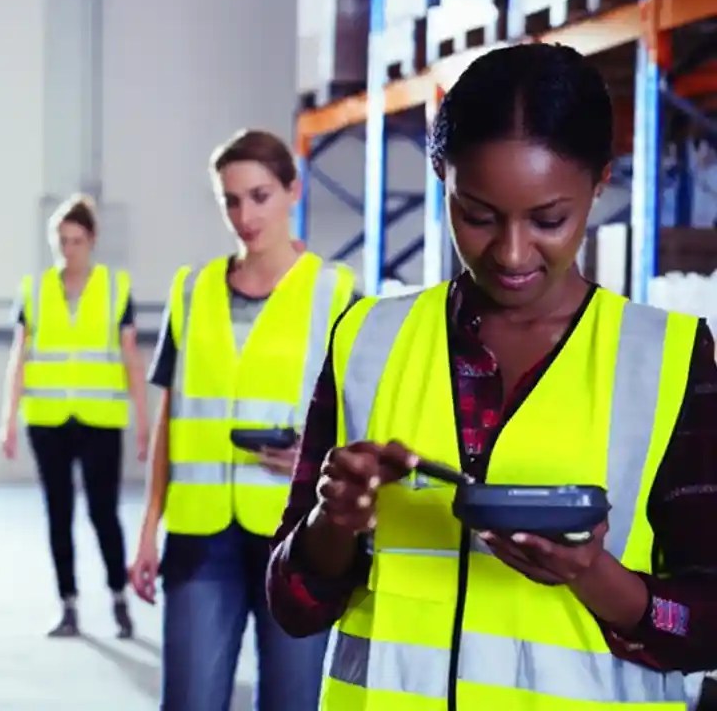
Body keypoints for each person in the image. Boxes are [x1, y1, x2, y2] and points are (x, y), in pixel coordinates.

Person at [266, 42, 717, 710]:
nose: (510, 252)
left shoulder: (669, 355)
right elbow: (294, 606)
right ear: (441, 174)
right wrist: (331, 523)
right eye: (476, 215)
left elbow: (706, 626)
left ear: (600, 184)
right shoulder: (368, 339)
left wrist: (594, 575)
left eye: (548, 220)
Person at [128, 129, 356, 710]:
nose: (244, 215)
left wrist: (315, 450)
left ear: (292, 191)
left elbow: (363, 421)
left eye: (259, 196)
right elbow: (170, 419)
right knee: (190, 702)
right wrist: (149, 526)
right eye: (230, 200)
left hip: (297, 532)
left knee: (292, 702)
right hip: (200, 539)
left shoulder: (337, 294)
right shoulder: (191, 290)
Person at [0, 194, 151, 639]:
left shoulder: (115, 289)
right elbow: (19, 357)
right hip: (46, 420)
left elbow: (131, 360)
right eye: (62, 241)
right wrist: (7, 418)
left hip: (100, 420)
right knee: (57, 513)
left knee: (104, 513)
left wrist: (143, 423)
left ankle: (119, 599)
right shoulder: (35, 290)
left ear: (93, 240)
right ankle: (68, 605)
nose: (68, 250)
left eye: (77, 241)